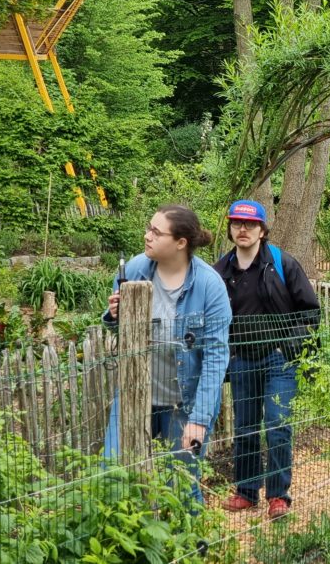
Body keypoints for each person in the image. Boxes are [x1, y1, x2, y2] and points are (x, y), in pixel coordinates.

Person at [102, 204, 231, 507]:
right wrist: (113, 314)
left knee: (181, 487)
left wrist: (199, 419)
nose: (147, 236)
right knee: (113, 475)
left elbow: (216, 358)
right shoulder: (134, 269)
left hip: (182, 404)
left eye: (155, 232)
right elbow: (115, 324)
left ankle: (190, 551)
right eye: (149, 227)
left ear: (181, 243)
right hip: (135, 395)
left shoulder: (209, 286)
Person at [213, 200, 320, 520]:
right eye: (236, 224)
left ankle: (278, 495)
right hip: (243, 358)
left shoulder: (282, 263)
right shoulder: (221, 270)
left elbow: (311, 310)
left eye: (249, 225)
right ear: (231, 229)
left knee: (276, 423)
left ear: (262, 230)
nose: (242, 229)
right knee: (245, 427)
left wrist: (289, 343)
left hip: (279, 360)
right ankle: (246, 492)